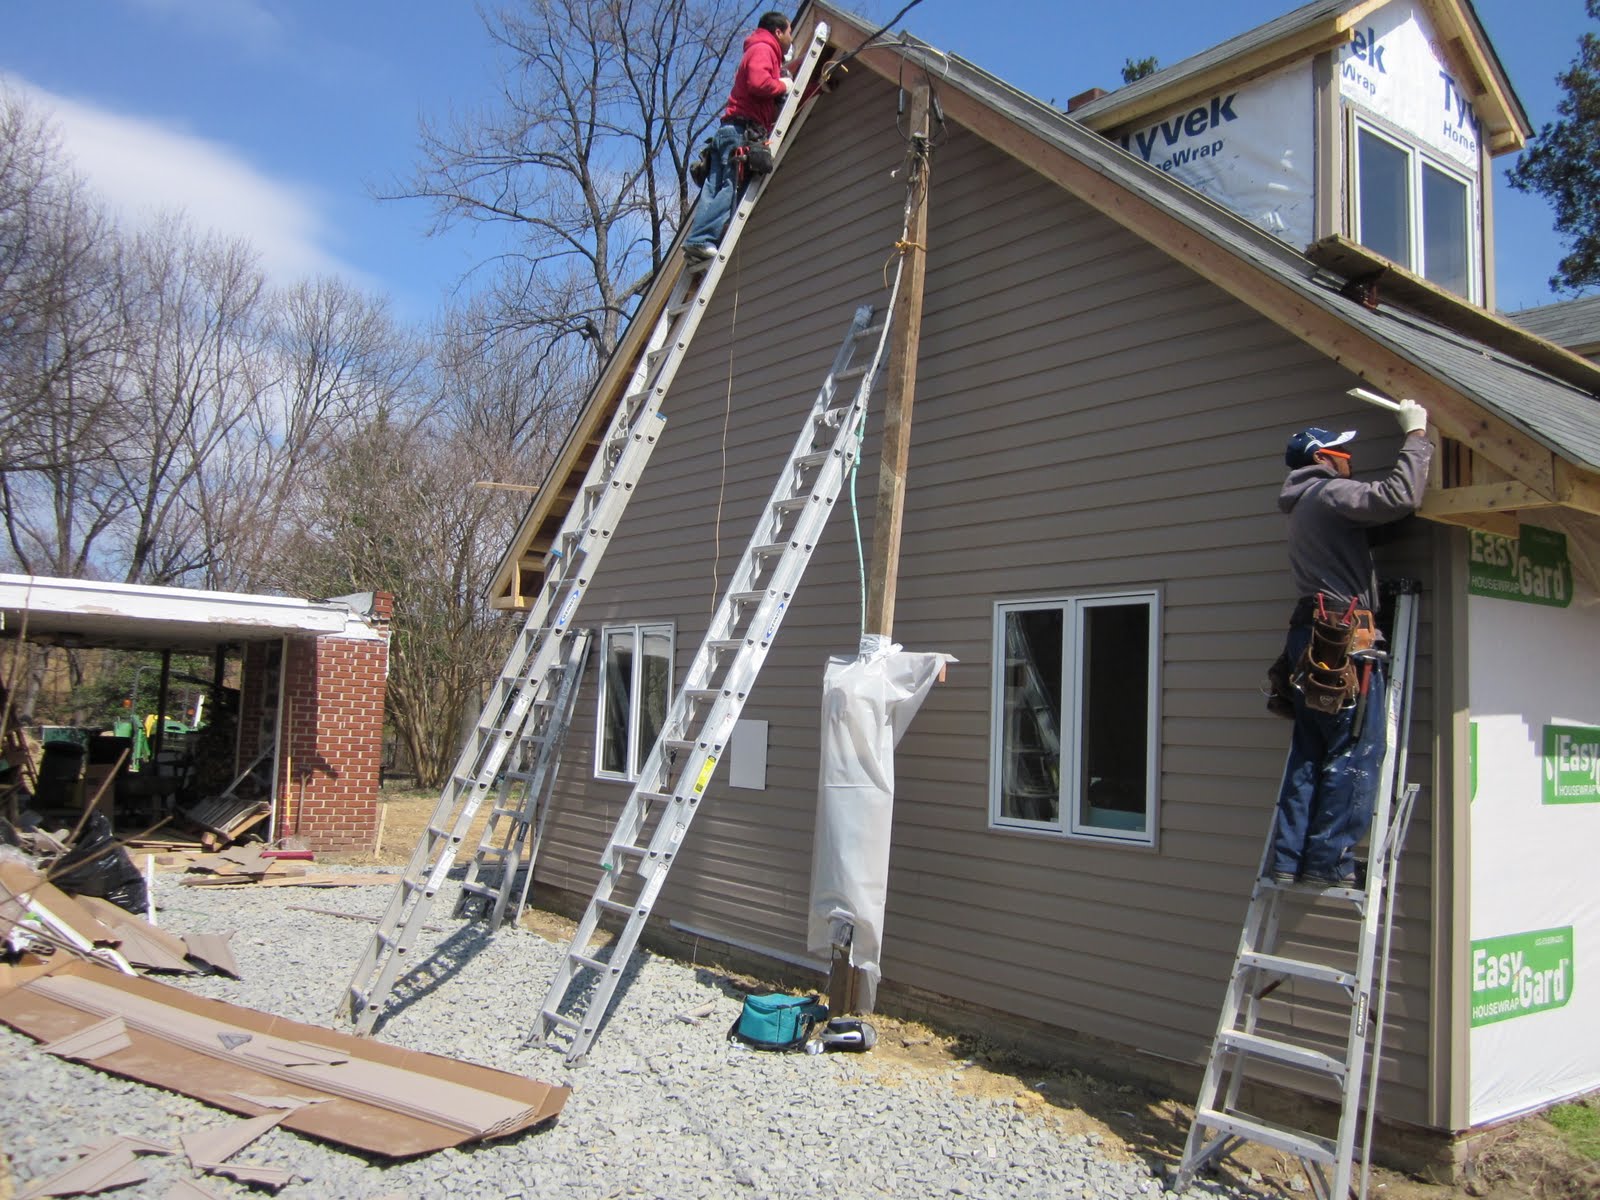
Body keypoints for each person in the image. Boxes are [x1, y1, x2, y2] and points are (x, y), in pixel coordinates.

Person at [1267, 398, 1431, 887]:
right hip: (1341, 636)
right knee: (1354, 748)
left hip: (1312, 633)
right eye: (1340, 453)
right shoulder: (1329, 493)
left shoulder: (1305, 506)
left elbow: (1368, 528)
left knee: (1312, 750)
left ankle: (1289, 857)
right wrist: (1417, 436)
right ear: (1322, 458)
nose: (1348, 460)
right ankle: (1329, 862)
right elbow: (1398, 497)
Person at [682, 12, 795, 261]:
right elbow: (758, 82)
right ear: (778, 32)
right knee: (728, 187)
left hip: (730, 129)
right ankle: (701, 239)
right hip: (741, 131)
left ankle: (697, 243)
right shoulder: (765, 48)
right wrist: (783, 85)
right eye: (789, 31)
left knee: (715, 187)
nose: (791, 37)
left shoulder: (757, 49)